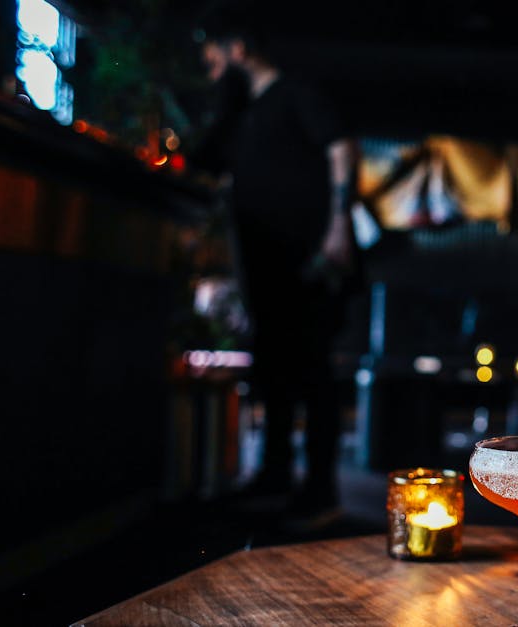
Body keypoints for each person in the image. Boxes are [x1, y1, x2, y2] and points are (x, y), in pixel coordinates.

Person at [197, 9, 356, 521]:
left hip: (308, 259)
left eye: (215, 60)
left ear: (238, 49)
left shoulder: (295, 93)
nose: (212, 72)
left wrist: (338, 226)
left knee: (311, 369)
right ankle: (276, 475)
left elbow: (343, 149)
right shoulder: (246, 113)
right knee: (276, 368)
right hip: (265, 265)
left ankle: (321, 488)